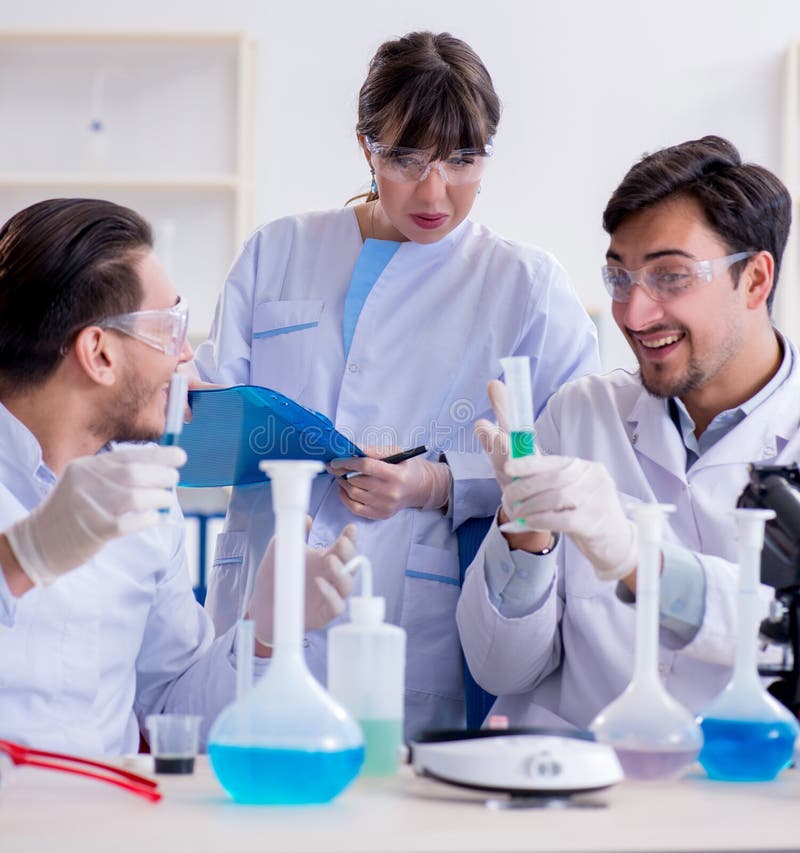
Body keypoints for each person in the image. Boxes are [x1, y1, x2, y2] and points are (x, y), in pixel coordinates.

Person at [194, 31, 600, 736]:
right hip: (264, 588)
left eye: (463, 160)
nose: (435, 191)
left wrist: (435, 483)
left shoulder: (526, 286)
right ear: (366, 148)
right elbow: (204, 418)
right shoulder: (278, 251)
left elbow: (567, 464)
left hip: (409, 615)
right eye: (406, 160)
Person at [456, 134, 798, 729]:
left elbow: (781, 628)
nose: (634, 315)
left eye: (671, 276)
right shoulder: (579, 414)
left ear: (754, 279)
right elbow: (499, 671)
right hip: (572, 774)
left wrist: (639, 559)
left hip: (744, 783)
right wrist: (525, 534)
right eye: (619, 278)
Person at [0, 198, 357, 754]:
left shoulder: (145, 501)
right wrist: (23, 557)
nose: (186, 357)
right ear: (99, 353)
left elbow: (174, 708)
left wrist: (264, 633)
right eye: (170, 330)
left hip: (109, 804)